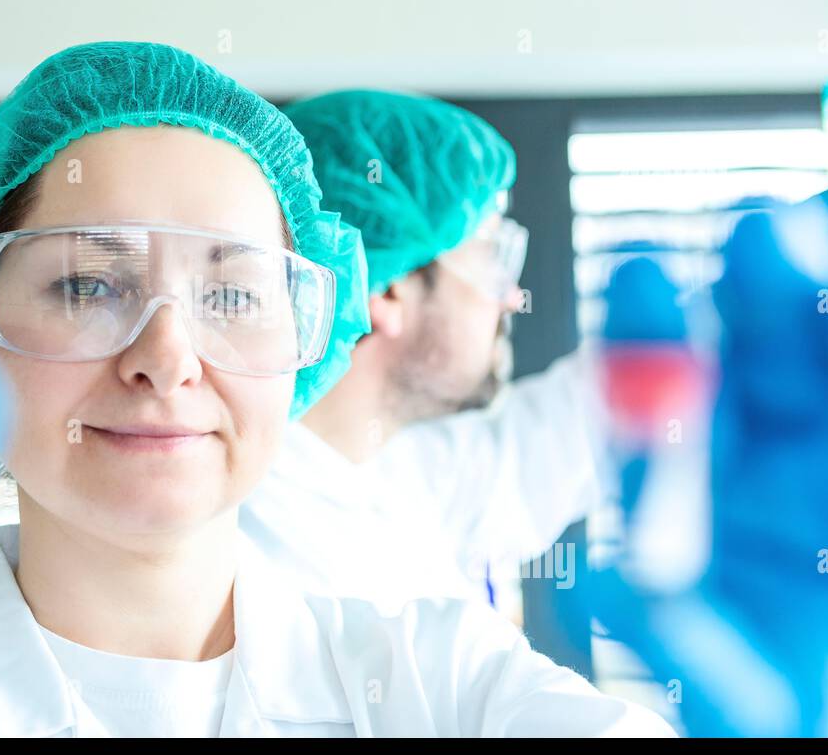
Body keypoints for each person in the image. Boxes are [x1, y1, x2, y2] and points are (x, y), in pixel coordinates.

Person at [0, 42, 674, 737]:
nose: (167, 358)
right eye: (86, 286)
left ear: (309, 339)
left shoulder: (443, 678)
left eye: (233, 295)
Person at [242, 90, 610, 619]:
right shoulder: (268, 545)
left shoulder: (387, 465)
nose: (509, 297)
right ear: (388, 290)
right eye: (491, 256)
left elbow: (546, 449)